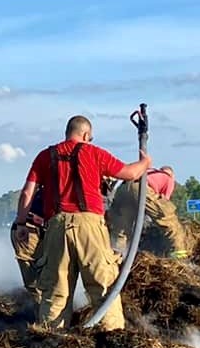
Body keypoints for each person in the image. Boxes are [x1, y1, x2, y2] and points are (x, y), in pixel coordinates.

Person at [15, 115, 152, 330]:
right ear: (86, 135)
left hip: (56, 227)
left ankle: (51, 344)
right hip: (90, 225)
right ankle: (113, 339)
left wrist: (21, 223)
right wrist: (145, 162)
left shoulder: (45, 156)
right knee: (103, 286)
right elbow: (130, 173)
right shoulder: (94, 152)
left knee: (55, 292)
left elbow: (27, 194)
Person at [107, 166, 192, 260]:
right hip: (140, 187)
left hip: (122, 188)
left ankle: (118, 257)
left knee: (121, 228)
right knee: (170, 220)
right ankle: (179, 255)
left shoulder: (150, 172)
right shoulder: (168, 179)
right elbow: (163, 206)